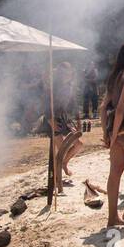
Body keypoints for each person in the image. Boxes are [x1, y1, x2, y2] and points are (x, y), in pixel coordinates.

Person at [52, 61, 84, 189]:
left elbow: (74, 106)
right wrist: (51, 121)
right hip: (53, 118)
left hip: (65, 118)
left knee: (79, 144)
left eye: (69, 71)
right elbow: (46, 105)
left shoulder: (70, 86)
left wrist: (78, 120)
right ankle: (56, 177)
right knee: (61, 149)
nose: (68, 74)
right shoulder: (53, 87)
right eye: (65, 72)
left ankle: (64, 163)